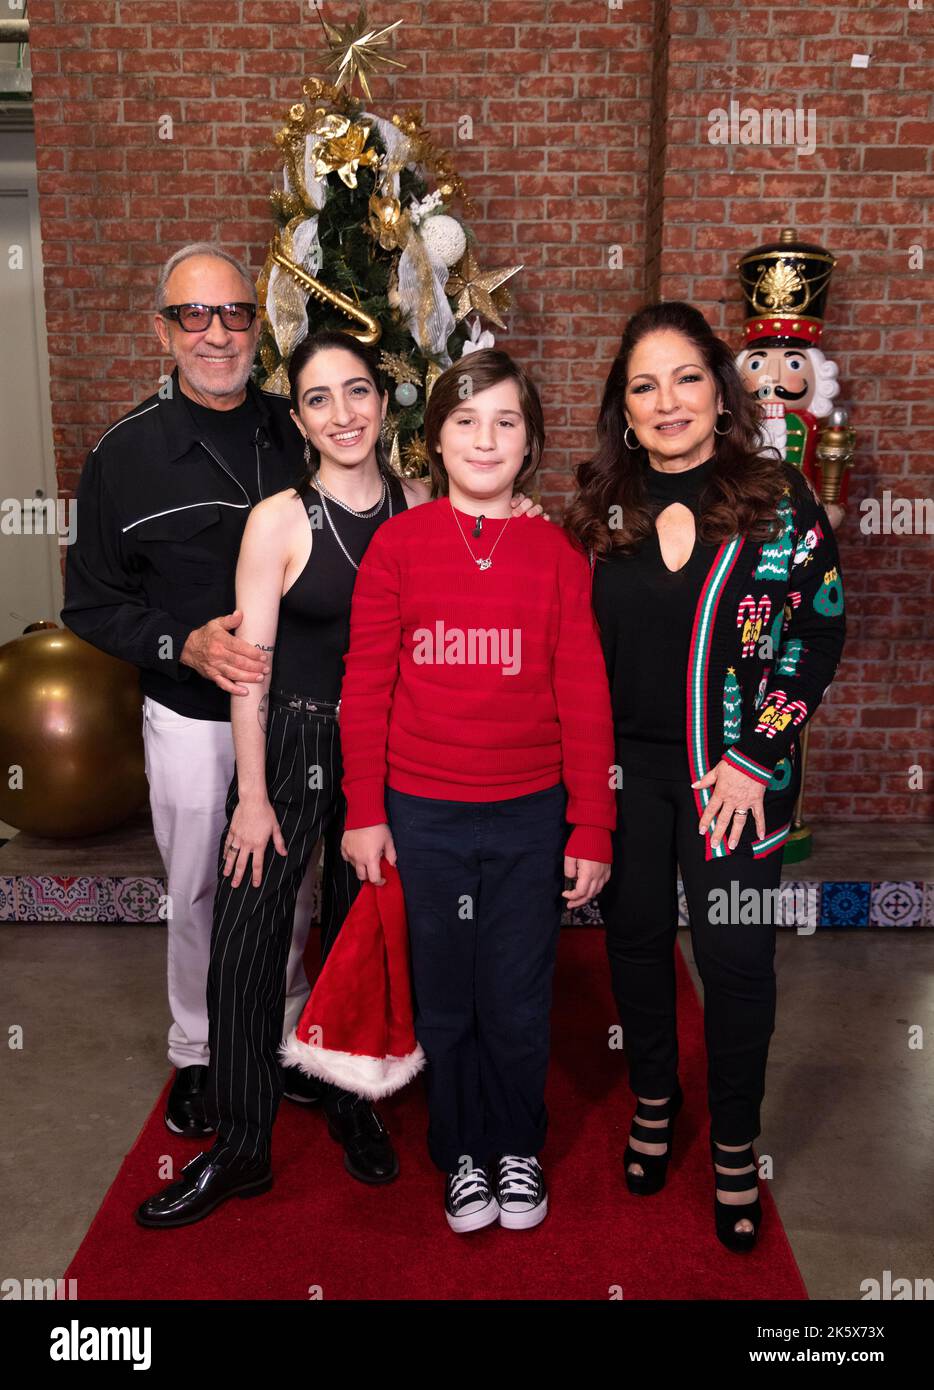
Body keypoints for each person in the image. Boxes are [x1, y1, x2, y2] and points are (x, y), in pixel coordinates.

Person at [134, 332, 546, 1228]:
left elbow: (500, 567)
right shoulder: (279, 518)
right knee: (247, 945)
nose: (344, 414)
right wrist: (250, 794)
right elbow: (250, 667)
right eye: (319, 400)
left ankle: (360, 1104)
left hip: (388, 753)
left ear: (387, 400)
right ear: (300, 417)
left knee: (372, 937)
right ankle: (240, 1147)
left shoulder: (424, 501)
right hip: (287, 743)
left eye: (358, 392)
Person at [565, 301, 846, 1252]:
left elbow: (817, 628)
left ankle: (734, 1140)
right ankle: (653, 1100)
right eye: (644, 385)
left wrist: (755, 756)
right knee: (635, 943)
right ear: (625, 407)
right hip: (623, 780)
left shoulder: (776, 499)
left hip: (736, 776)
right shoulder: (596, 508)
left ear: (719, 394)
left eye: (686, 377)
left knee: (733, 961)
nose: (667, 400)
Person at [339, 348, 616, 1234]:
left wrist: (594, 825)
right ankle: (461, 1152)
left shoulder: (558, 554)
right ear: (435, 439)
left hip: (533, 815)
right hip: (424, 815)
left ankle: (516, 1147)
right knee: (446, 995)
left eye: (505, 421)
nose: (485, 438)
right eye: (465, 420)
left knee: (519, 992)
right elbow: (366, 685)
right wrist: (364, 810)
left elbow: (584, 693)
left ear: (530, 440)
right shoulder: (400, 544)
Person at [62, 243, 318, 1140]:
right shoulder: (122, 455)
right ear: (162, 330)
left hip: (297, 717)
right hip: (192, 716)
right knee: (204, 892)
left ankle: (285, 1037)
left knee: (290, 885)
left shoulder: (302, 431)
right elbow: (90, 603)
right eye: (193, 316)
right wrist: (182, 641)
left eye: (235, 315)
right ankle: (199, 1053)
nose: (217, 335)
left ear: (259, 325)